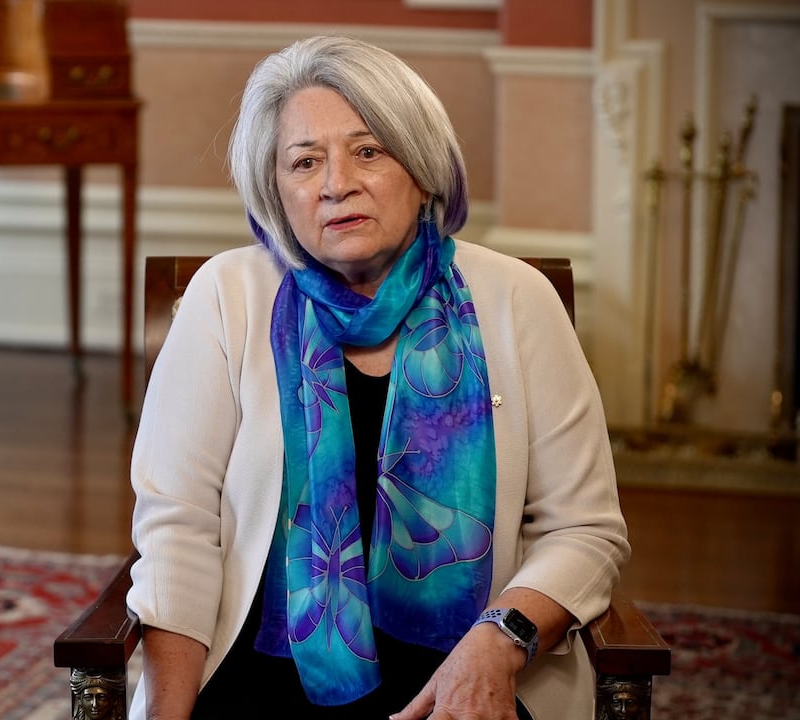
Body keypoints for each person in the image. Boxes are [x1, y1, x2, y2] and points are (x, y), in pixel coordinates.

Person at [125, 34, 629, 720]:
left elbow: (585, 531)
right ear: (277, 190)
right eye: (305, 162)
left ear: (421, 168)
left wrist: (497, 644)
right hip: (262, 678)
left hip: (469, 682)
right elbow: (178, 530)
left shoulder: (516, 298)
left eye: (368, 151)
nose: (337, 184)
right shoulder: (227, 296)